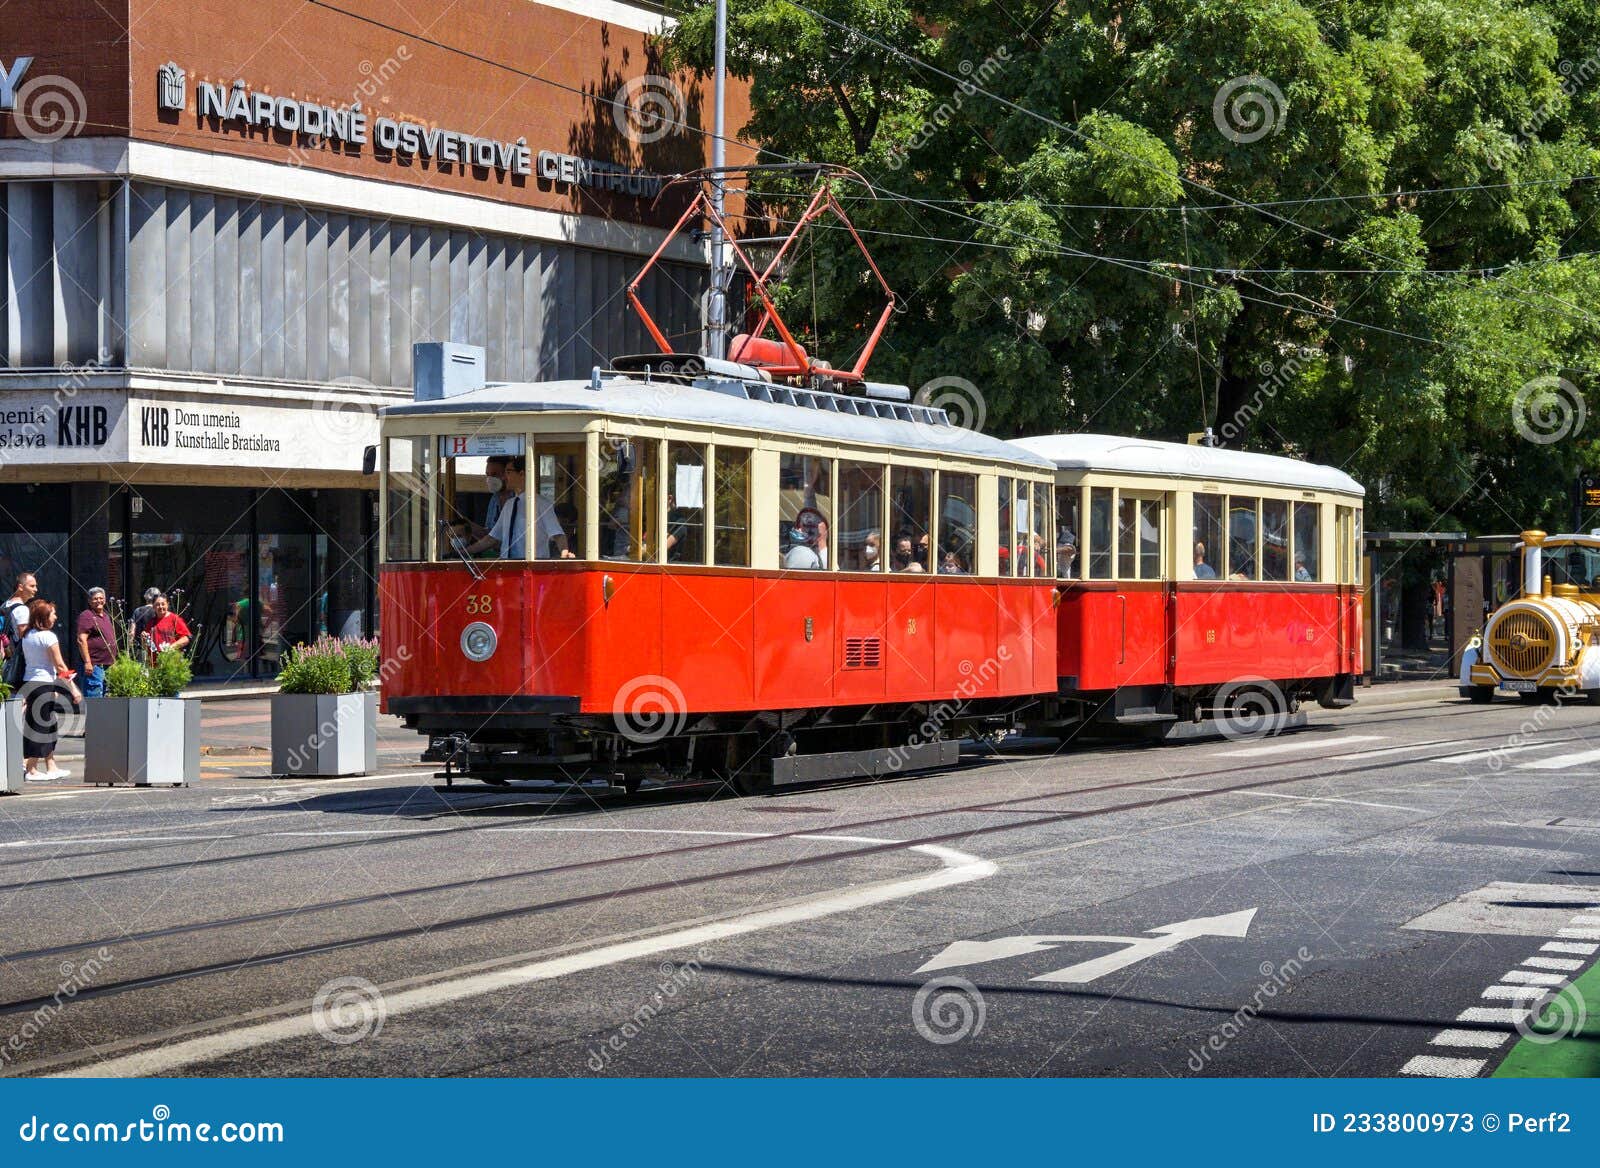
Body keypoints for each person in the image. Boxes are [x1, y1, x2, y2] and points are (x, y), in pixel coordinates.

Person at [20, 599, 81, 781]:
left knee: (47, 725)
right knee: (41, 727)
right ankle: (30, 769)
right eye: (52, 613)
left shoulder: (27, 635)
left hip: (30, 682)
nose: (55, 617)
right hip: (43, 684)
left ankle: (51, 766)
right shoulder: (48, 637)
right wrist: (74, 689)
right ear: (44, 617)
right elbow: (61, 665)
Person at [468, 456, 573, 560]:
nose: (504, 477)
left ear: (522, 474)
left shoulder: (541, 504)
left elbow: (557, 533)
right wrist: (465, 552)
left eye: (508, 472)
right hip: (508, 568)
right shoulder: (509, 505)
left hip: (532, 570)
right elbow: (492, 538)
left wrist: (565, 552)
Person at [75, 587, 116, 698]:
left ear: (105, 600)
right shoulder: (87, 616)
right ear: (89, 601)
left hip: (108, 666)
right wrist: (88, 662)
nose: (98, 601)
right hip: (95, 666)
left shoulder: (106, 617)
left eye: (101, 598)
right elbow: (81, 639)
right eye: (95, 599)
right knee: (94, 699)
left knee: (105, 699)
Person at [1, 571, 36, 688]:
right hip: (14, 660)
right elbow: (24, 637)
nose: (35, 589)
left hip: (3, 657)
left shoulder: (5, 605)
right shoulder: (22, 610)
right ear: (20, 587)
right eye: (32, 586)